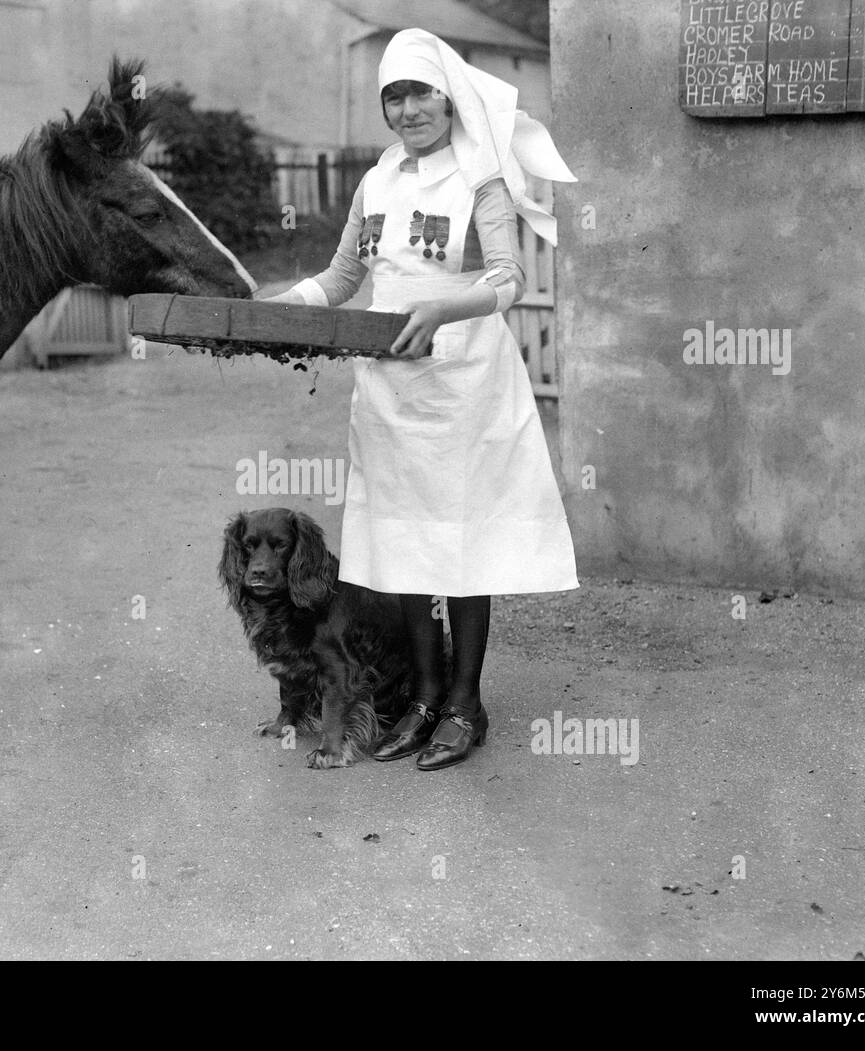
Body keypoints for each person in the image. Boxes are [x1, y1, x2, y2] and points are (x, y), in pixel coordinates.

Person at [267, 28, 579, 770]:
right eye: (394, 97)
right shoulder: (376, 182)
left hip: (464, 385)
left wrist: (444, 310)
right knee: (407, 544)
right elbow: (344, 277)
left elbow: (511, 279)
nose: (408, 110)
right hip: (389, 390)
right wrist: (279, 306)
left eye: (420, 94)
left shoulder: (480, 177)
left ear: (448, 98)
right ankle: (425, 696)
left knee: (463, 546)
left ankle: (467, 704)